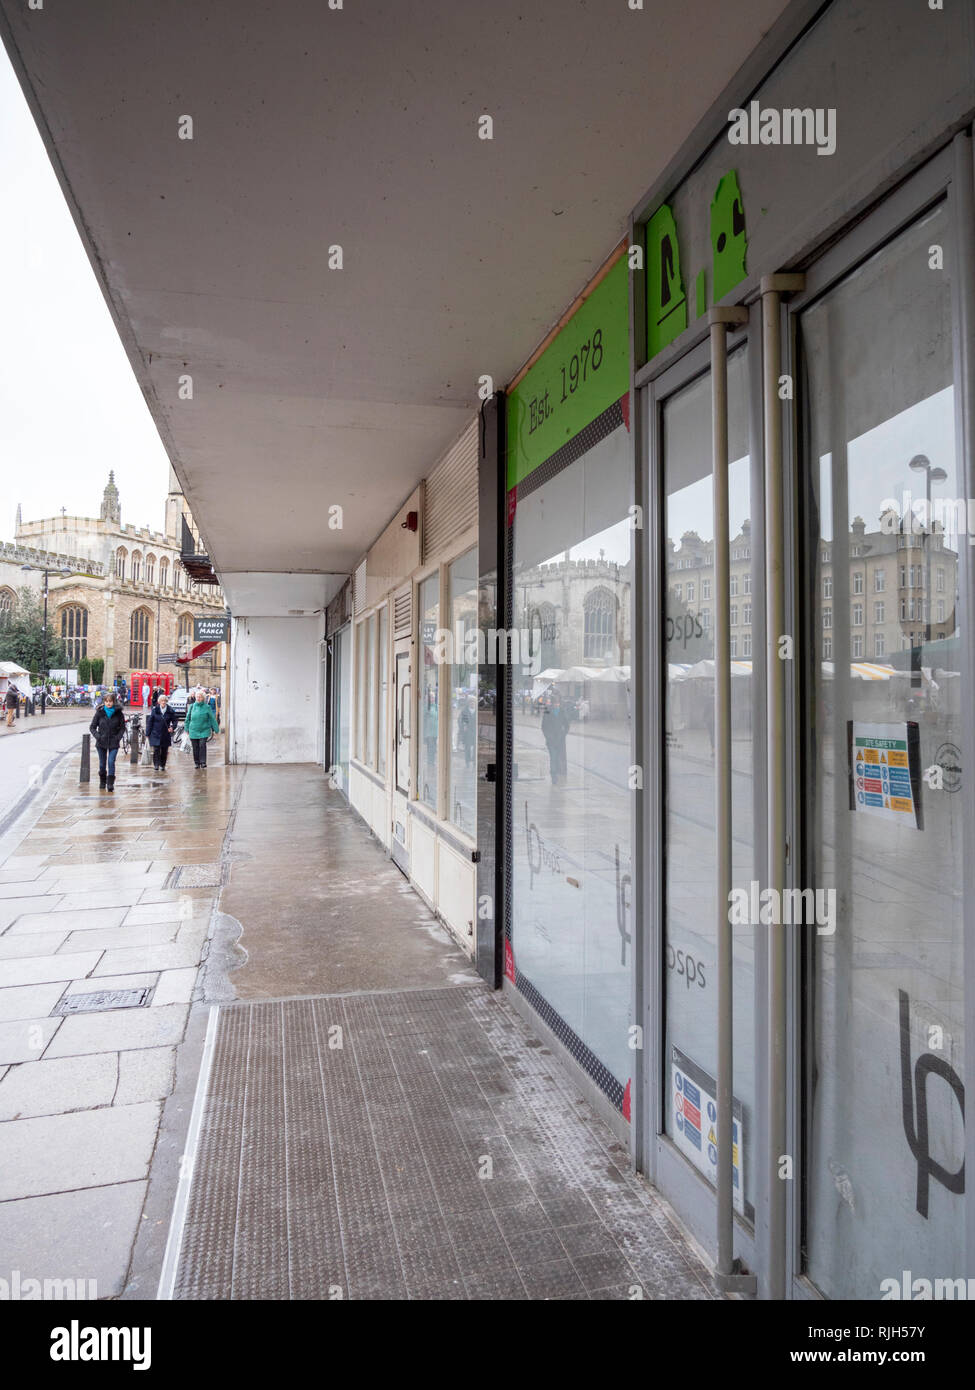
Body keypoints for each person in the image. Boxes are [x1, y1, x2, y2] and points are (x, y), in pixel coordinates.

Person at [89, 689, 126, 791]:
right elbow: (92, 727)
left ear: (114, 702)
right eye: (106, 701)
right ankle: (102, 780)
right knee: (102, 763)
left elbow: (122, 727)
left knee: (111, 762)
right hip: (101, 742)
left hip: (114, 742)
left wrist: (118, 737)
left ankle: (110, 783)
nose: (108, 703)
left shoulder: (119, 713)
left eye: (110, 701)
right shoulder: (99, 713)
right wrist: (98, 736)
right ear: (104, 702)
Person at [185, 687, 219, 767]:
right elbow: (187, 718)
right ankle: (197, 763)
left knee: (202, 745)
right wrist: (186, 728)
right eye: (197, 697)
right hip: (193, 730)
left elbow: (212, 719)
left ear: (203, 698)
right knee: (195, 747)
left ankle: (203, 762)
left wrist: (216, 729)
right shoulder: (192, 706)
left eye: (200, 697)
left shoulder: (207, 707)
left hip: (204, 730)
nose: (198, 698)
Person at [146, 693, 179, 771]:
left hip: (165, 733)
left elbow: (175, 721)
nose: (163, 702)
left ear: (166, 701)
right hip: (155, 733)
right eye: (162, 701)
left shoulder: (170, 710)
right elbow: (150, 722)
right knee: (156, 750)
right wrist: (147, 733)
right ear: (159, 702)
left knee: (164, 750)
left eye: (164, 701)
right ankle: (156, 765)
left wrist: (172, 727)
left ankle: (162, 765)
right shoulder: (155, 710)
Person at [541, 695, 570, 786]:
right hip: (551, 740)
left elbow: (567, 725)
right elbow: (543, 727)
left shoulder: (562, 711)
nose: (557, 705)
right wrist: (548, 737)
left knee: (557, 758)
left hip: (560, 740)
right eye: (555, 703)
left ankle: (555, 773)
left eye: (558, 703)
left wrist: (563, 734)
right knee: (553, 758)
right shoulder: (547, 711)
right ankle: (554, 776)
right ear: (552, 703)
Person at [457, 696, 475, 768]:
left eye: (473, 702)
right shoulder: (465, 711)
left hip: (474, 732)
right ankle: (467, 761)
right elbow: (460, 721)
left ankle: (474, 761)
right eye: (471, 702)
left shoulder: (476, 711)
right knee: (467, 747)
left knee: (475, 747)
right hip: (467, 733)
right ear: (468, 703)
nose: (472, 703)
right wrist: (463, 727)